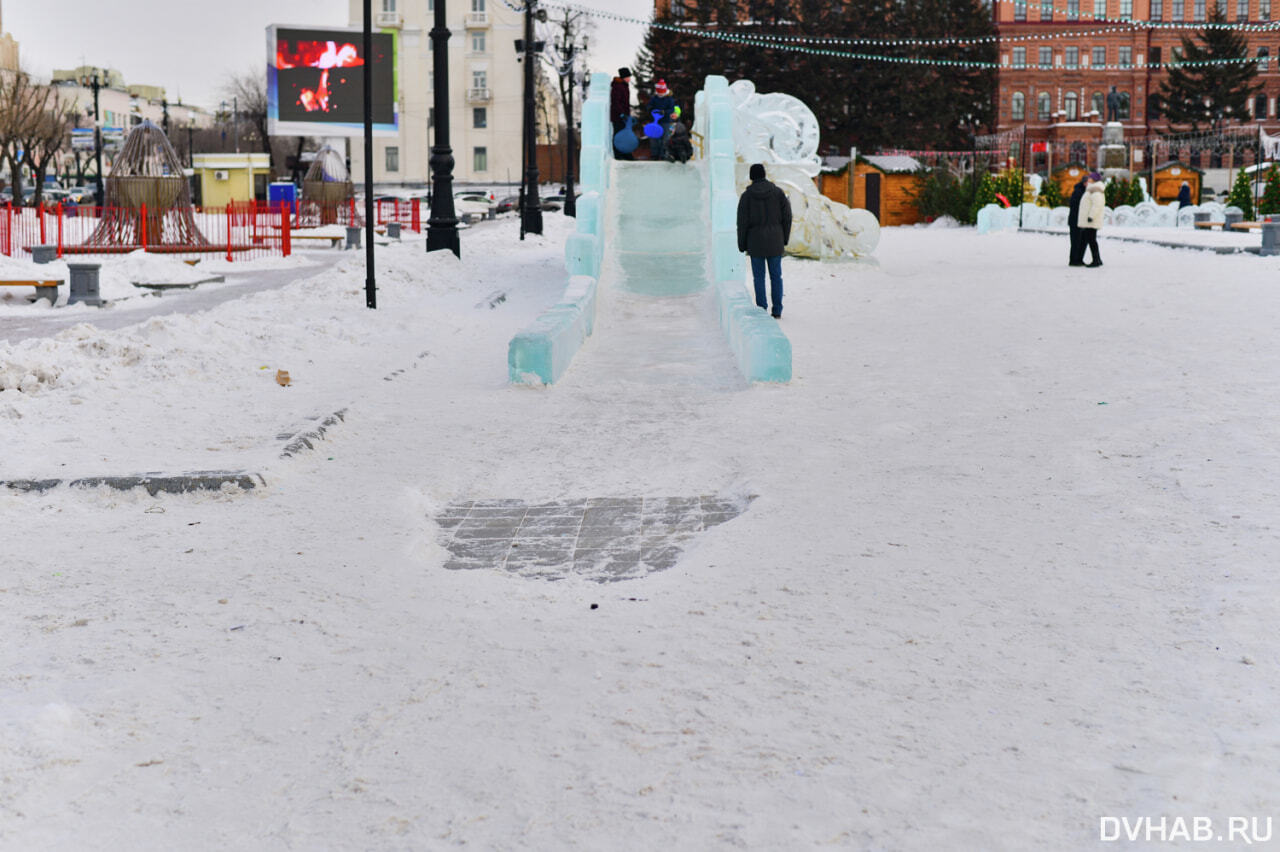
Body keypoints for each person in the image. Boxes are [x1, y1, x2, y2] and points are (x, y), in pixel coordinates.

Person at [737, 163, 792, 318]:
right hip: (775, 240)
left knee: (759, 278)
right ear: (764, 174)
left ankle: (761, 309)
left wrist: (742, 244)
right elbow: (787, 217)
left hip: (755, 243)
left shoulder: (746, 197)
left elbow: (742, 222)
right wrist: (784, 238)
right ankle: (777, 310)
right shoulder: (778, 193)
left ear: (751, 177)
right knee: (776, 276)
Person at [1079, 172, 1106, 268]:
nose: (1088, 178)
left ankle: (1096, 260)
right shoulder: (1092, 188)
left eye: (1090, 177)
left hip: (1091, 220)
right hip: (1089, 220)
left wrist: (1091, 216)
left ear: (1094, 179)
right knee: (1092, 240)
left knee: (1092, 240)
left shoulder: (1095, 190)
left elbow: (1097, 204)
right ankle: (1097, 259)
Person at [647, 79, 675, 160]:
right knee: (654, 138)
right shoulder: (654, 98)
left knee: (665, 138)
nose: (660, 94)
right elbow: (649, 105)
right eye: (659, 93)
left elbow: (671, 109)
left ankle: (663, 154)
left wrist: (664, 112)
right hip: (655, 121)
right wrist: (650, 108)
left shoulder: (669, 99)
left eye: (661, 93)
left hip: (665, 121)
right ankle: (654, 155)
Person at [611, 68, 633, 160]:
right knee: (618, 136)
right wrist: (622, 114)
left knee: (625, 135)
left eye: (629, 77)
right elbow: (616, 102)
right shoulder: (618, 86)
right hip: (618, 117)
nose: (629, 79)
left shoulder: (624, 85)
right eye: (627, 77)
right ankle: (618, 154)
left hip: (624, 116)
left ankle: (625, 153)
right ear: (623, 77)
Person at [1067, 176, 1087, 266]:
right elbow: (1076, 206)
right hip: (1075, 220)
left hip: (1079, 220)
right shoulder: (1079, 192)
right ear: (1084, 183)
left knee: (1079, 241)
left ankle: (1078, 259)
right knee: (1076, 241)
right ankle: (1074, 260)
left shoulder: (1081, 191)